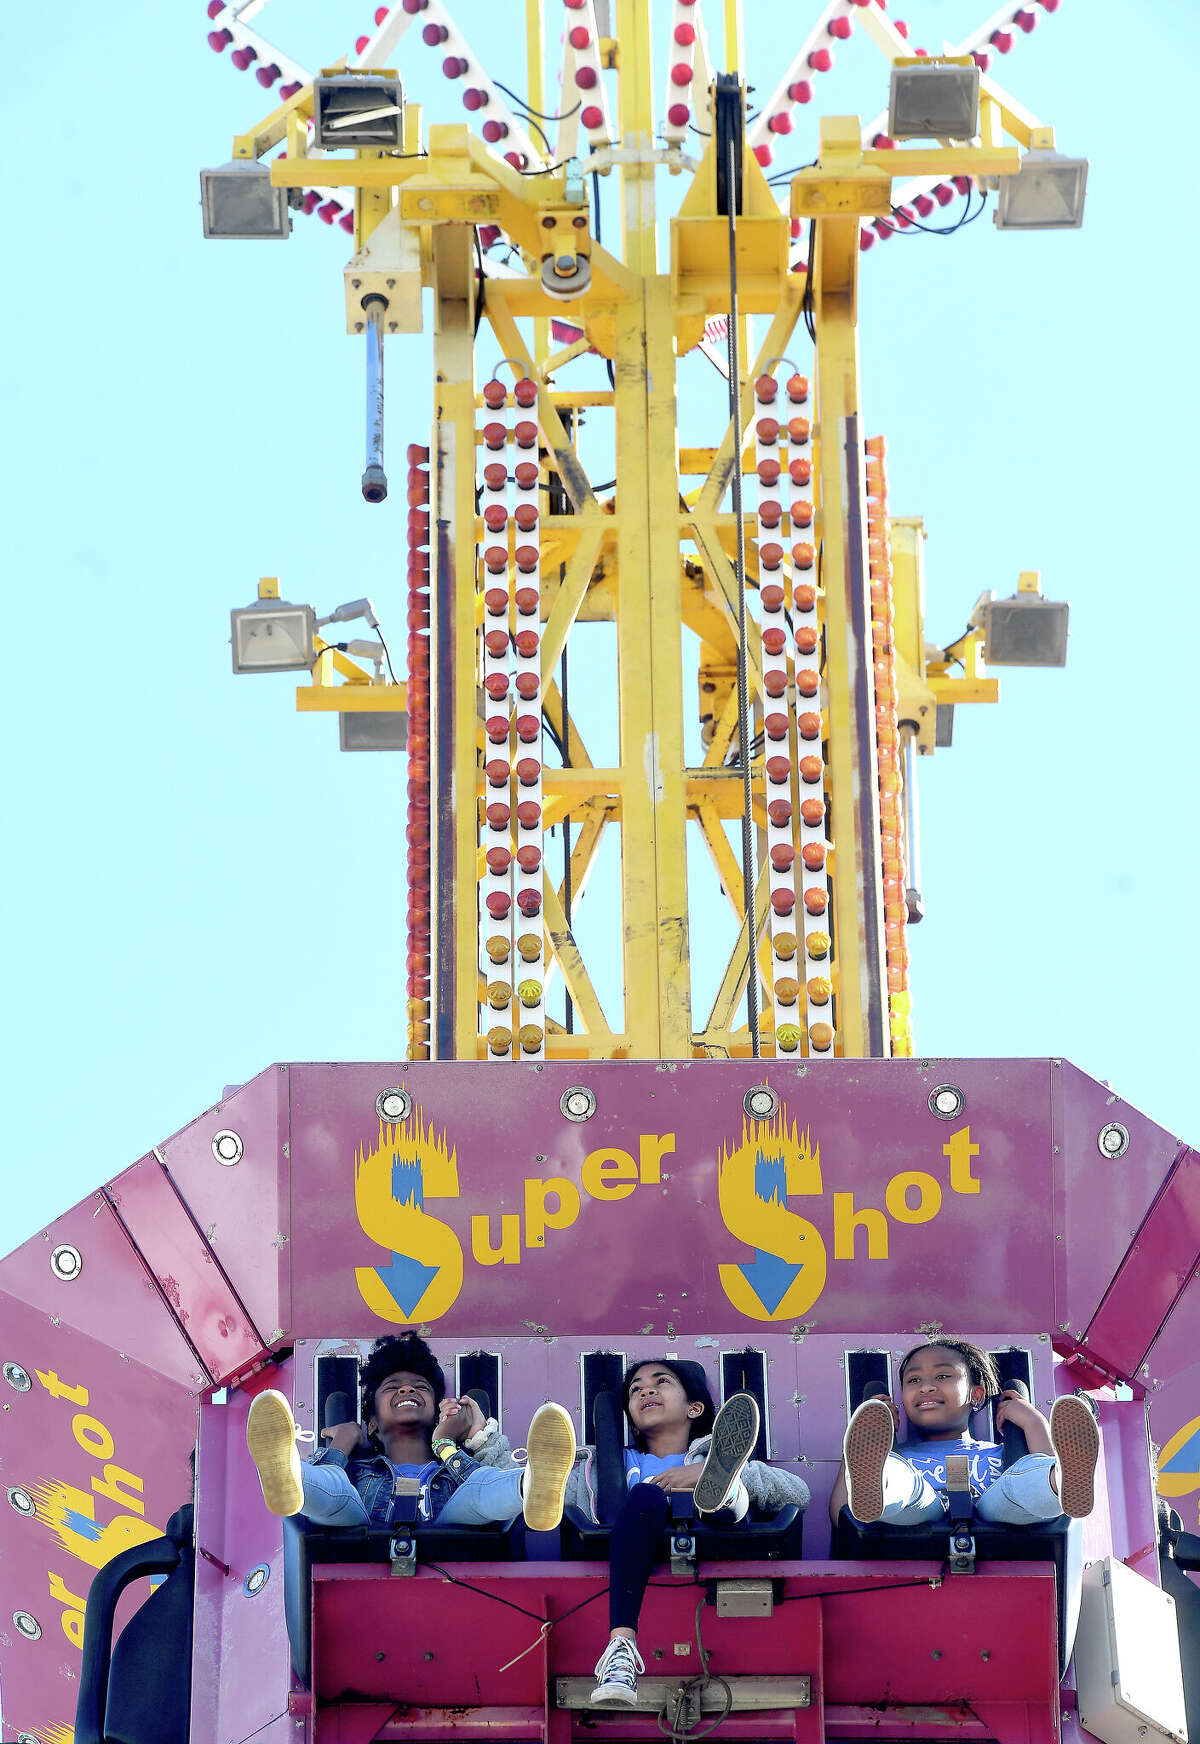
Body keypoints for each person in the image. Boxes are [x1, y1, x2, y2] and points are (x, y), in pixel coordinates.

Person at [573, 1359, 811, 1707]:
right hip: (639, 1536)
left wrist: (702, 1470)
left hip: (716, 1531)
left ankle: (723, 1487)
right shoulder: (605, 1466)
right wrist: (480, 1443)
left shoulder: (715, 1454)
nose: (646, 1390)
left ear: (694, 1408)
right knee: (646, 1494)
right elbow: (540, 1496)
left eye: (661, 1382)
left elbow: (798, 1493)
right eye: (636, 1389)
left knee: (722, 1500)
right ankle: (621, 1650)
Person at [245, 1332, 574, 1533]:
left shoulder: (451, 1466)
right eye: (392, 1388)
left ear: (435, 1415)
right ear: (372, 1422)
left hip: (450, 1527)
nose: (406, 1390)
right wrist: (343, 1443)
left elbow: (489, 1478)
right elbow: (335, 1485)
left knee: (479, 1485)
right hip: (364, 1529)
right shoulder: (358, 1470)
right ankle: (287, 1471)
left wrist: (453, 1441)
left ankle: (531, 1484)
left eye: (420, 1388)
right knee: (334, 1484)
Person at [830, 1337, 1100, 1529]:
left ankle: (1060, 1480)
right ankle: (877, 1483)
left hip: (995, 1516)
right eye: (914, 1380)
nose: (926, 1387)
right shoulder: (898, 1458)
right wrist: (864, 1440)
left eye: (943, 1376)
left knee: (1024, 1478)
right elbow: (840, 1517)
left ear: (976, 1394)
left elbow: (1037, 1482)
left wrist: (1033, 1423)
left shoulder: (1002, 1453)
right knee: (901, 1480)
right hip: (920, 1516)